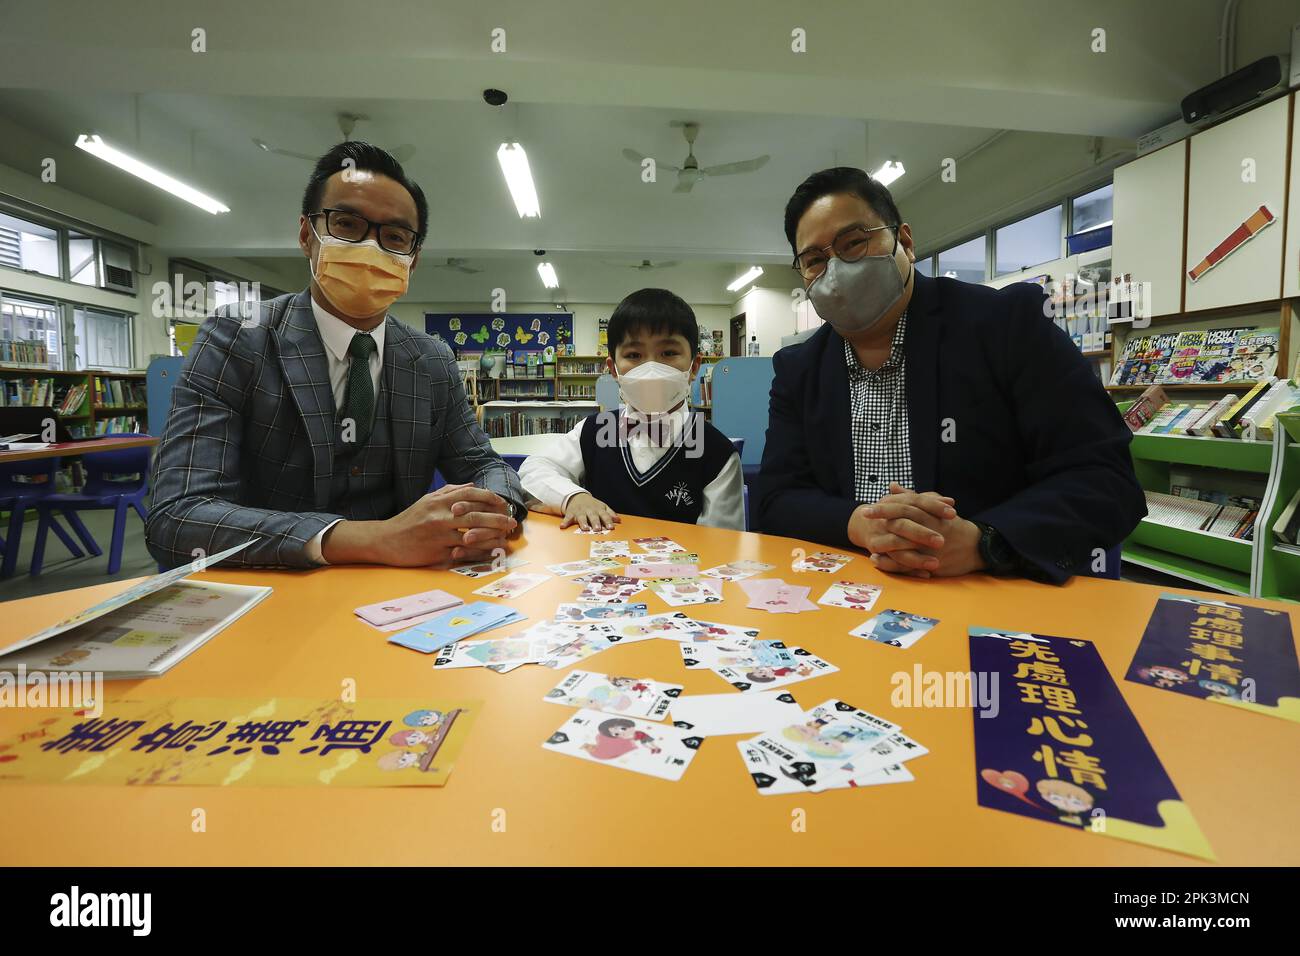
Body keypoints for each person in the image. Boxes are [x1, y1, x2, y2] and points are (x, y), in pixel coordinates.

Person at [147, 142, 525, 570]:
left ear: (413, 260)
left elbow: (484, 465)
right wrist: (372, 539)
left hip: (404, 597)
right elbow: (176, 517)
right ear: (308, 235)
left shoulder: (432, 359)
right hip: (277, 589)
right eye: (347, 225)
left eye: (395, 237)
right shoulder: (238, 339)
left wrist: (496, 511)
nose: (370, 248)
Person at [759, 167, 1145, 583]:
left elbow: (1106, 480)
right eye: (815, 260)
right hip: (858, 597)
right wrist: (860, 523)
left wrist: (985, 542)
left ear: (904, 241)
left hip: (997, 596)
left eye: (853, 243)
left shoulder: (1006, 325)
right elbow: (776, 498)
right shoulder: (799, 370)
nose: (835, 270)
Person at [519, 288, 744, 531]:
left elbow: (723, 546)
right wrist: (573, 497)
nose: (651, 369)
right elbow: (534, 468)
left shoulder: (718, 453)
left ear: (694, 366)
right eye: (634, 355)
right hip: (599, 567)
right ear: (613, 369)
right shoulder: (594, 431)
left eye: (668, 353)